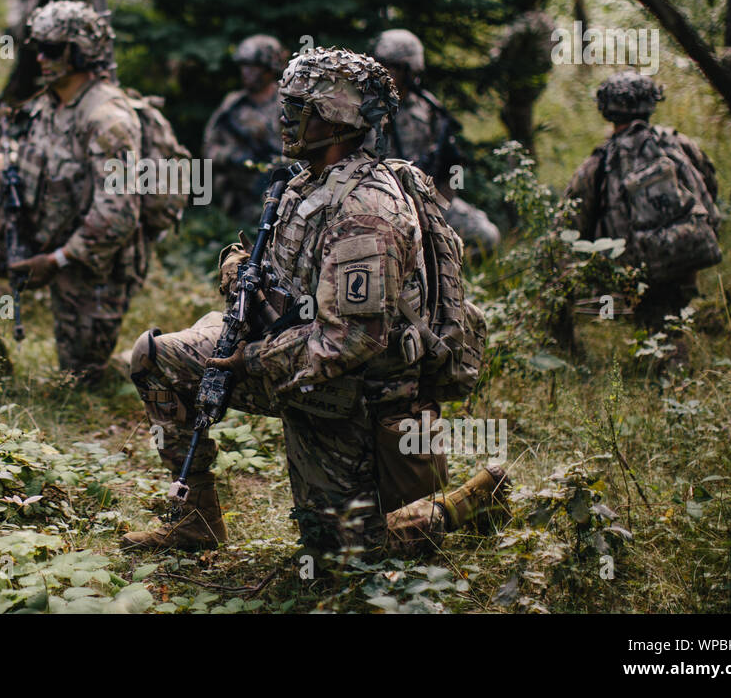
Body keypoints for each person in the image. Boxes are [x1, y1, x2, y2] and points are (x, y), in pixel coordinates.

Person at [122, 46, 507, 557]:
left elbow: (352, 339)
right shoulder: (306, 183)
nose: (283, 118)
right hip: (290, 358)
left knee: (340, 557)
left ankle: (460, 506)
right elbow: (294, 279)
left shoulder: (367, 212)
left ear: (337, 119)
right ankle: (195, 523)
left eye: (297, 108)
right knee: (155, 359)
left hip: (354, 393)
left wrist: (250, 361)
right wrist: (241, 271)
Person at [0, 0, 146, 388]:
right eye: (36, 47)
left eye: (53, 49)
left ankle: (148, 359)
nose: (40, 57)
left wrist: (55, 261)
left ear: (80, 51)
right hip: (32, 233)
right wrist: (1, 166)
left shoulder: (107, 119)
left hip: (88, 261)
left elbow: (119, 214)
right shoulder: (47, 103)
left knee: (79, 382)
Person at [562, 71, 721, 331]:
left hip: (636, 267)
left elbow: (570, 224)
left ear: (606, 109)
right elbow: (709, 187)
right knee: (673, 316)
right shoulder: (680, 145)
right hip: (685, 250)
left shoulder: (598, 163)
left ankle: (662, 351)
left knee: (654, 322)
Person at [369, 29, 501, 254]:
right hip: (377, 204)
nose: (387, 73)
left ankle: (445, 267)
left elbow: (452, 167)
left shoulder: (428, 108)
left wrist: (438, 206)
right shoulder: (363, 108)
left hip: (426, 199)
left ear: (411, 70)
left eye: (395, 67)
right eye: (383, 65)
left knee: (486, 235)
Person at [203, 35, 286, 220]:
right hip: (240, 203)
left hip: (284, 198)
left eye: (253, 67)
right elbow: (209, 149)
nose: (246, 72)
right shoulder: (232, 106)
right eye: (243, 66)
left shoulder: (287, 103)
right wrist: (235, 157)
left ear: (269, 69)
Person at [484, 0, 556, 154]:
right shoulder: (546, 21)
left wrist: (490, 73)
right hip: (537, 80)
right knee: (517, 120)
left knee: (519, 126)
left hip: (521, 81)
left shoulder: (524, 23)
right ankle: (522, 161)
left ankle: (523, 165)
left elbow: (504, 52)